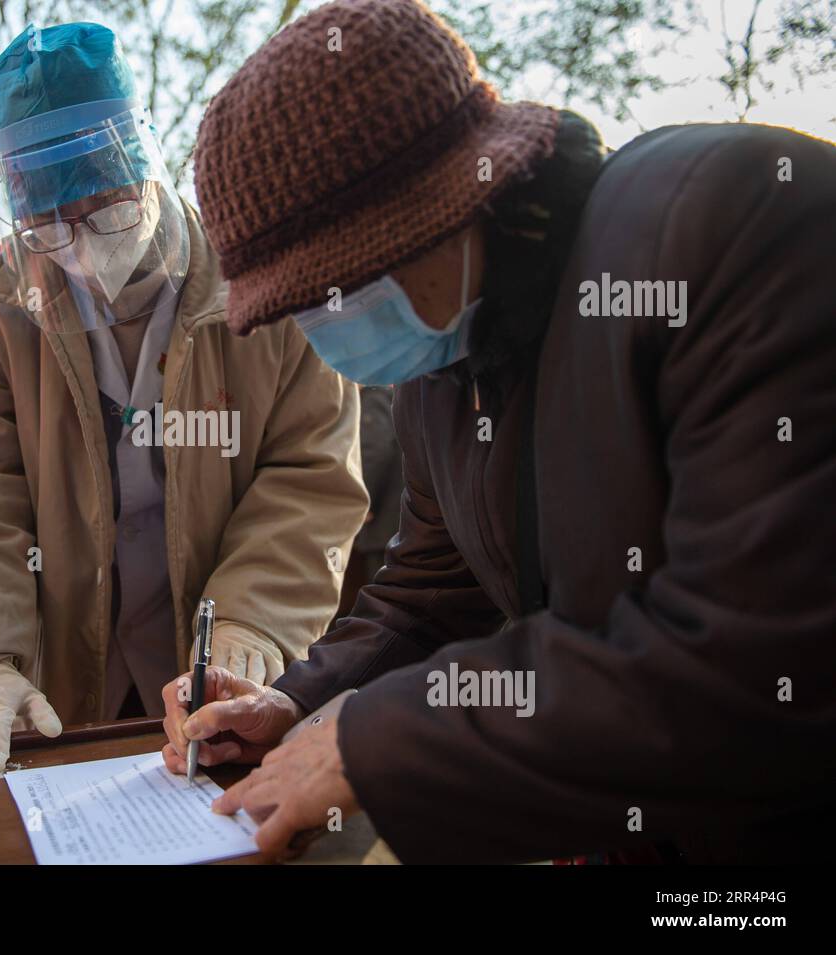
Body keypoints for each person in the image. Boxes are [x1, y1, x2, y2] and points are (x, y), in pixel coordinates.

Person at [162, 0, 836, 863]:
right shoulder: (447, 365)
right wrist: (298, 701)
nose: (320, 336)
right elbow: (433, 595)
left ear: (437, 207)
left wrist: (380, 739)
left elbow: (754, 664)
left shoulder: (729, 227)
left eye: (328, 296)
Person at [0, 22, 368, 777]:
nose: (82, 247)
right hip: (64, 671)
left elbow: (310, 468)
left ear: (146, 159)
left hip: (218, 657)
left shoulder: (259, 274)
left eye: (108, 209)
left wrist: (256, 610)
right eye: (47, 226)